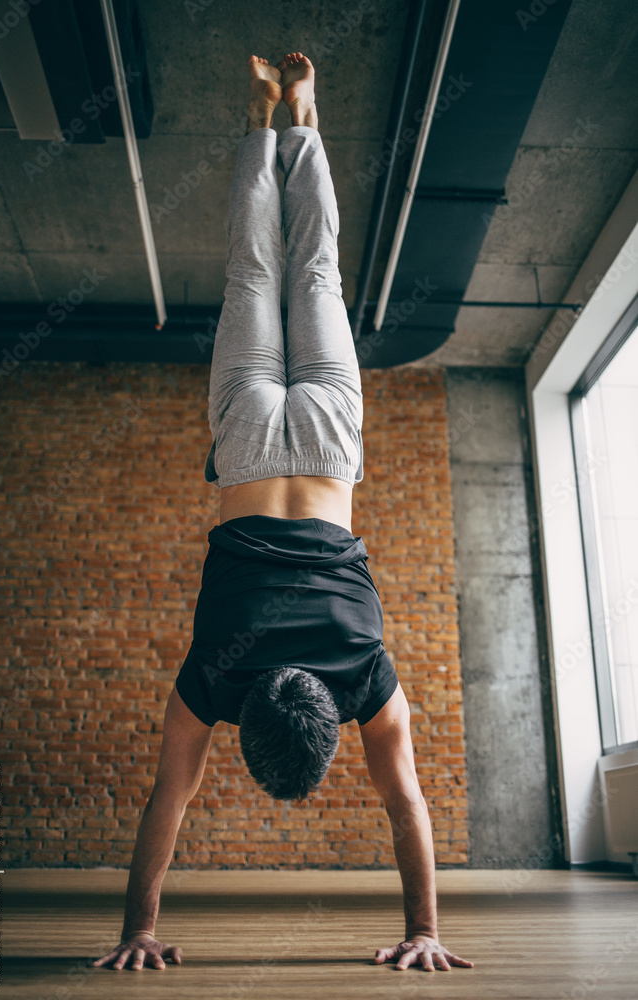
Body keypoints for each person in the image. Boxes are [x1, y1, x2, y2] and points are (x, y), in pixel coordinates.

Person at [92, 53, 473, 976]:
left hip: (331, 451)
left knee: (315, 268)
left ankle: (301, 115)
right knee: (253, 268)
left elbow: (406, 805)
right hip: (251, 445)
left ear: (323, 719)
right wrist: (134, 932)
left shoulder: (365, 678)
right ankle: (263, 117)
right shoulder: (213, 680)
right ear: (248, 717)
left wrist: (426, 930)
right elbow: (165, 805)